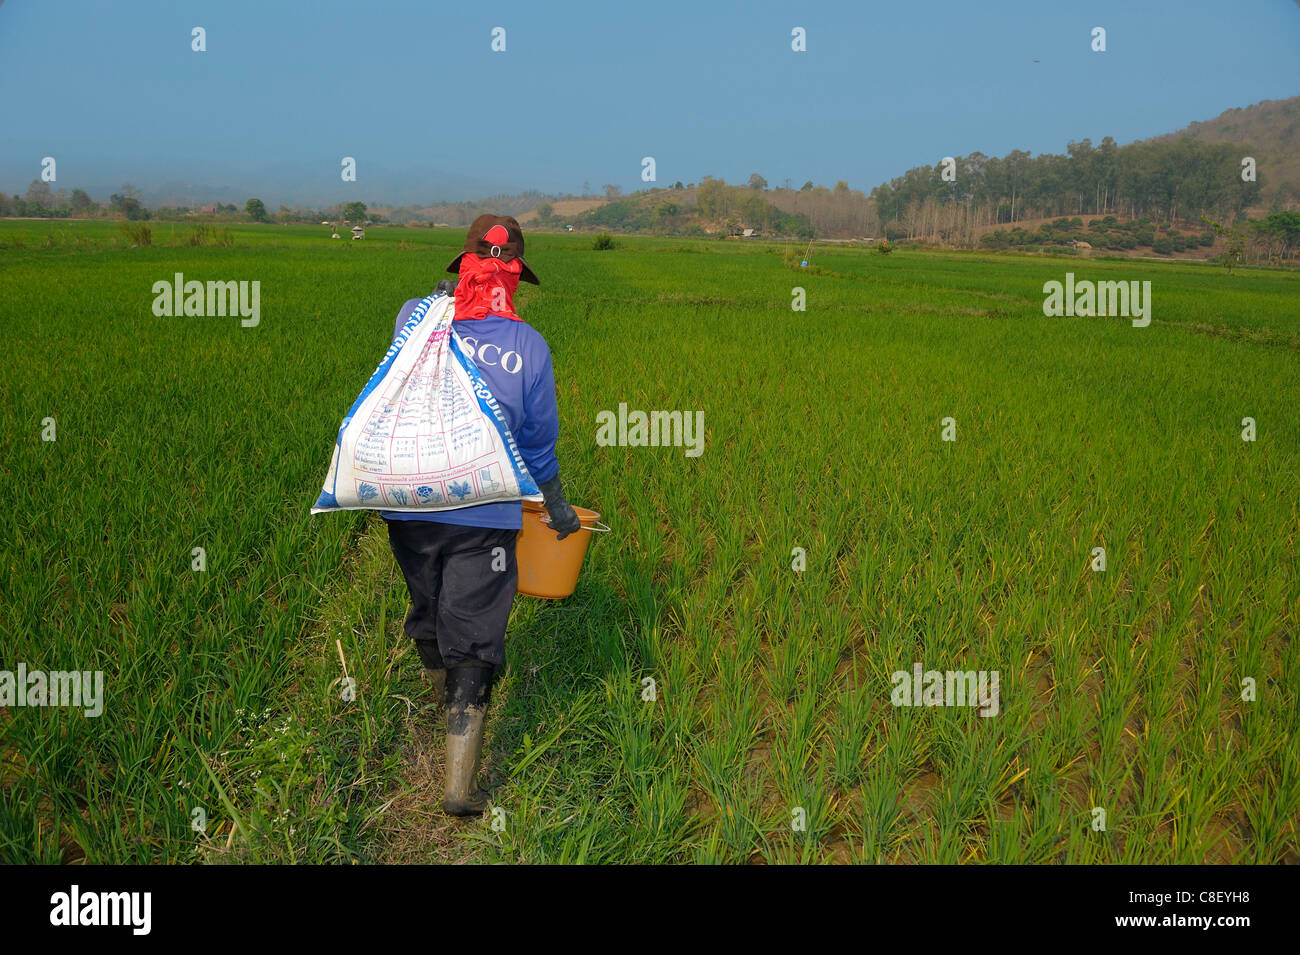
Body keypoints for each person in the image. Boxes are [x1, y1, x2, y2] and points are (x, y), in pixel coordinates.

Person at [380, 215, 581, 816]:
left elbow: (396, 386)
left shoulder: (414, 317)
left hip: (408, 504)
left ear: (462, 265)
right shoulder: (530, 347)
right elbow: (539, 445)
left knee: (430, 606)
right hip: (485, 510)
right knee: (476, 634)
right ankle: (459, 787)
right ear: (515, 275)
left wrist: (435, 311)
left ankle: (444, 699)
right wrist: (559, 506)